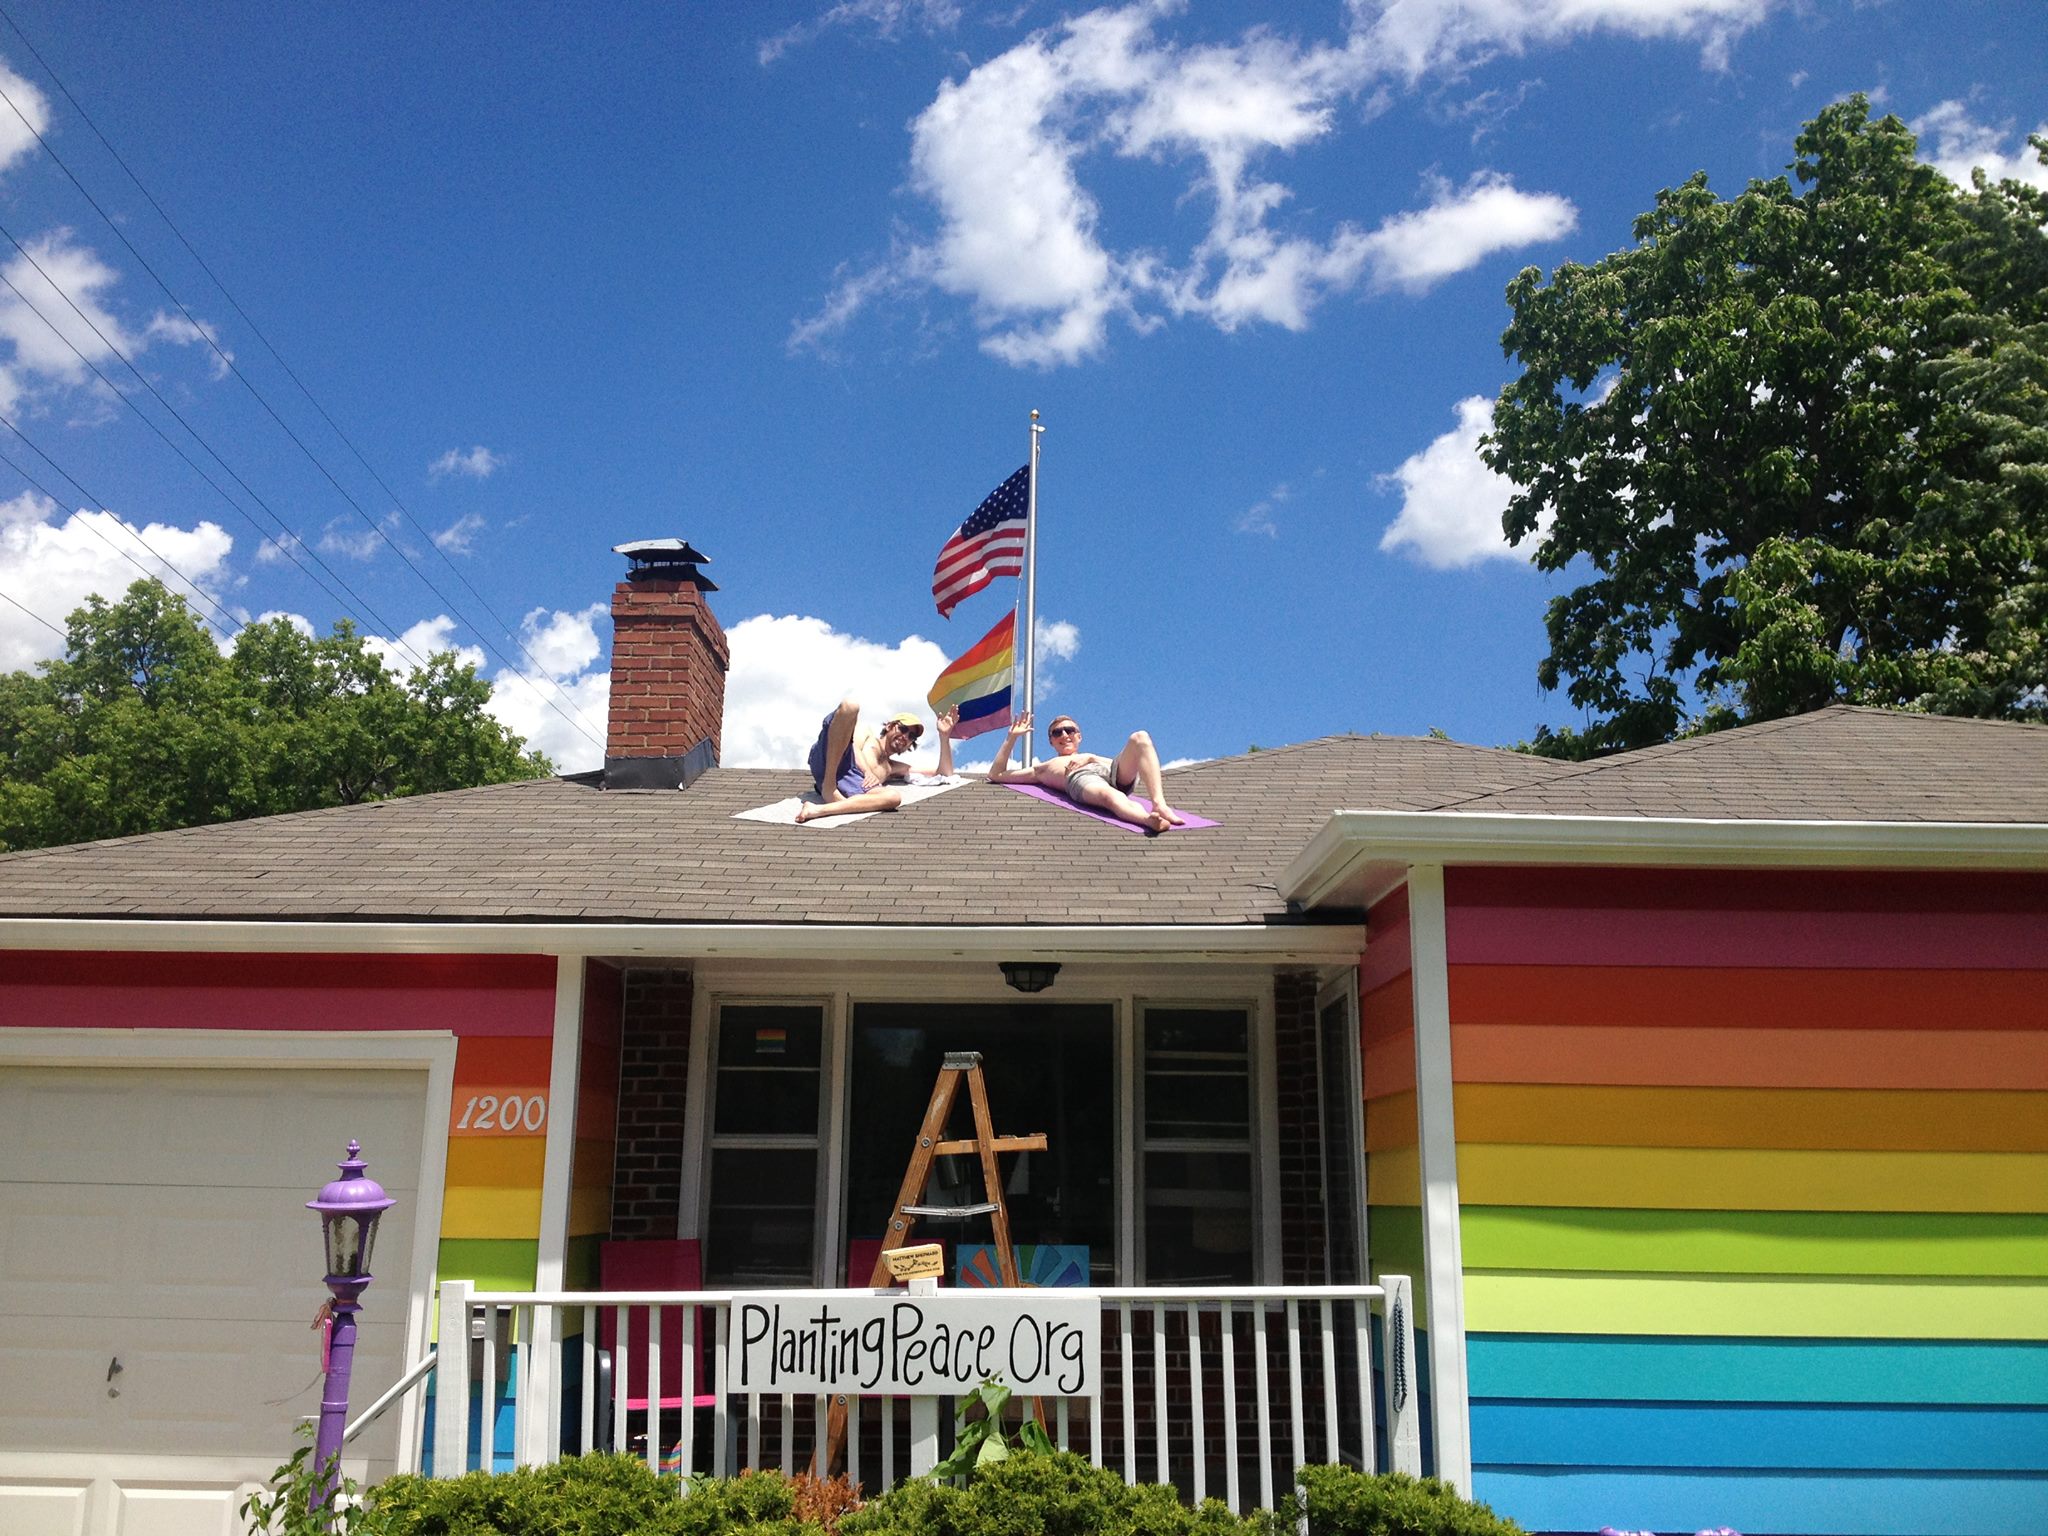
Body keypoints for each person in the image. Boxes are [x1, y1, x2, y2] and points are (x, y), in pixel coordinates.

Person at [986, 710, 1185, 833]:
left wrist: (1089, 757)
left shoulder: (1091, 755)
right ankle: (1147, 820)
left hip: (1110, 771)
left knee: (1140, 737)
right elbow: (996, 775)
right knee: (1110, 795)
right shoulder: (1044, 767)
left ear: (1078, 736)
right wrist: (1011, 738)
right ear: (1051, 741)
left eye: (1069, 730)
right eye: (1057, 733)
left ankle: (1159, 804)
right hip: (1083, 779)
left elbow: (1137, 763)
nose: (1064, 734)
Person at [795, 700, 957, 823]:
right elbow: (854, 748)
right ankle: (829, 786)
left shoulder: (892, 767)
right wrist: (867, 772)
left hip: (852, 783)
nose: (905, 736)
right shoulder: (867, 735)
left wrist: (944, 736)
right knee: (851, 706)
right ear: (889, 726)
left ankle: (818, 810)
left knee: (893, 797)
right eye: (903, 729)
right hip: (834, 759)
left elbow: (944, 773)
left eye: (911, 736)